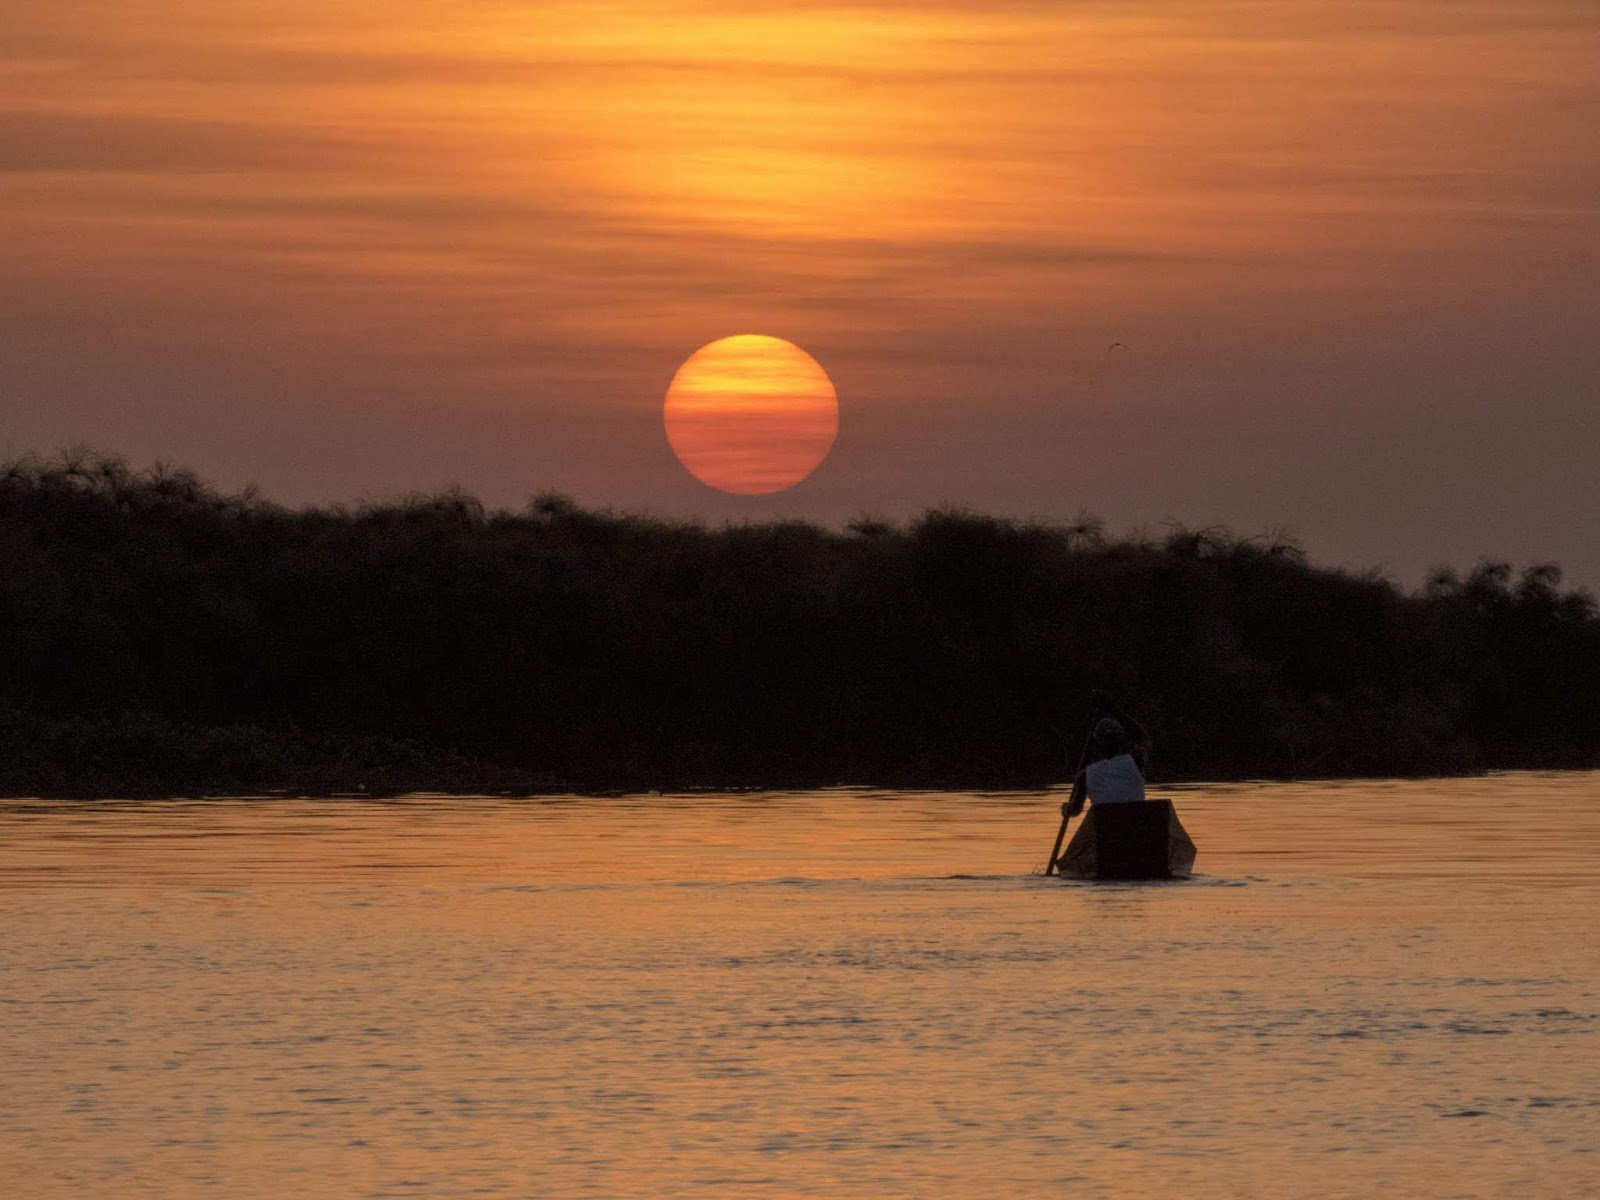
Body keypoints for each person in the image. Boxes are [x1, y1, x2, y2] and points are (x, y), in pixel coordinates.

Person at [1062, 692, 1150, 822]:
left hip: (1106, 834)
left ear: (1097, 745)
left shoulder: (1084, 775)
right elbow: (1142, 737)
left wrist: (1066, 809)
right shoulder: (1136, 760)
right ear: (1122, 741)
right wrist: (1114, 710)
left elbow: (1075, 810)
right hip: (1135, 829)